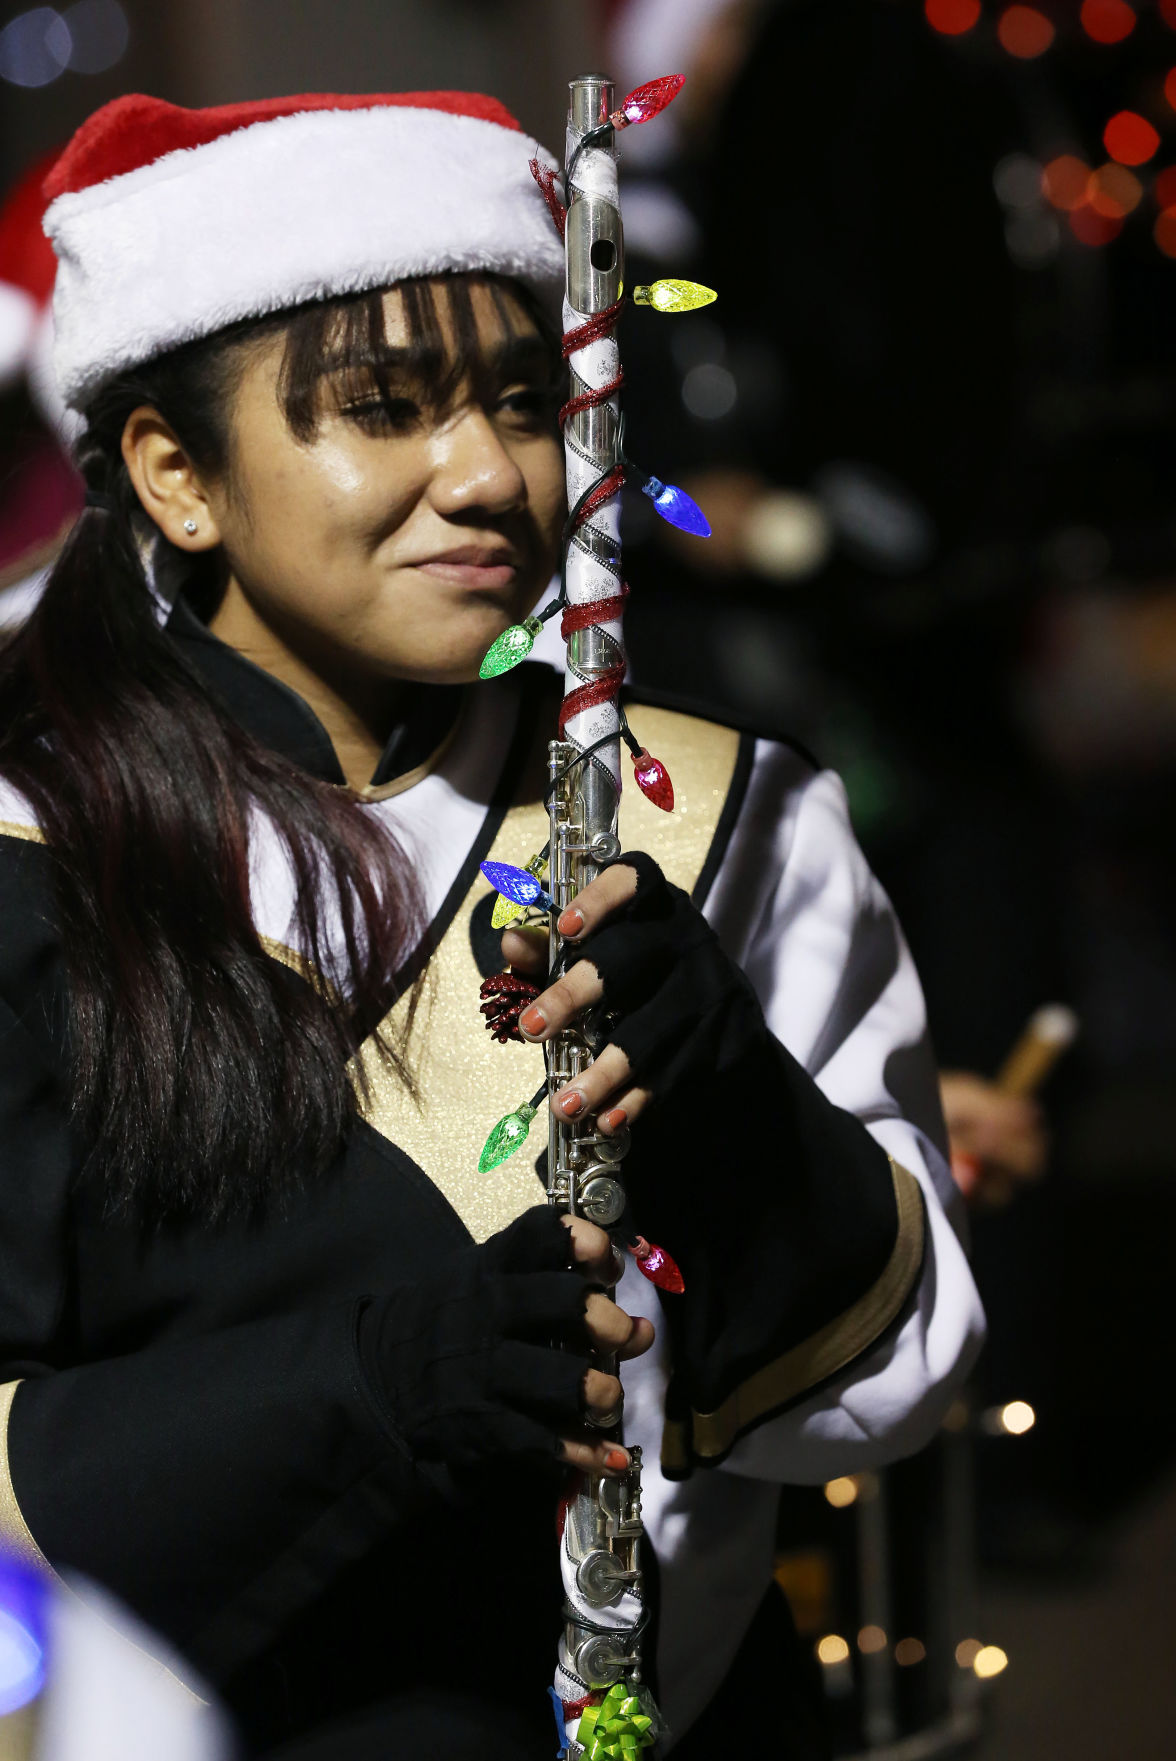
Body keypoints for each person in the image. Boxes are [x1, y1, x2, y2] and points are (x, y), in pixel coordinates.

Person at [0, 90, 982, 1759]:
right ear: (176, 472)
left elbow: (895, 1393)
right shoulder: (27, 849)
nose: (489, 476)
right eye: (381, 408)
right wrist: (357, 1394)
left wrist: (733, 1108)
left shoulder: (728, 811)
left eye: (527, 401)